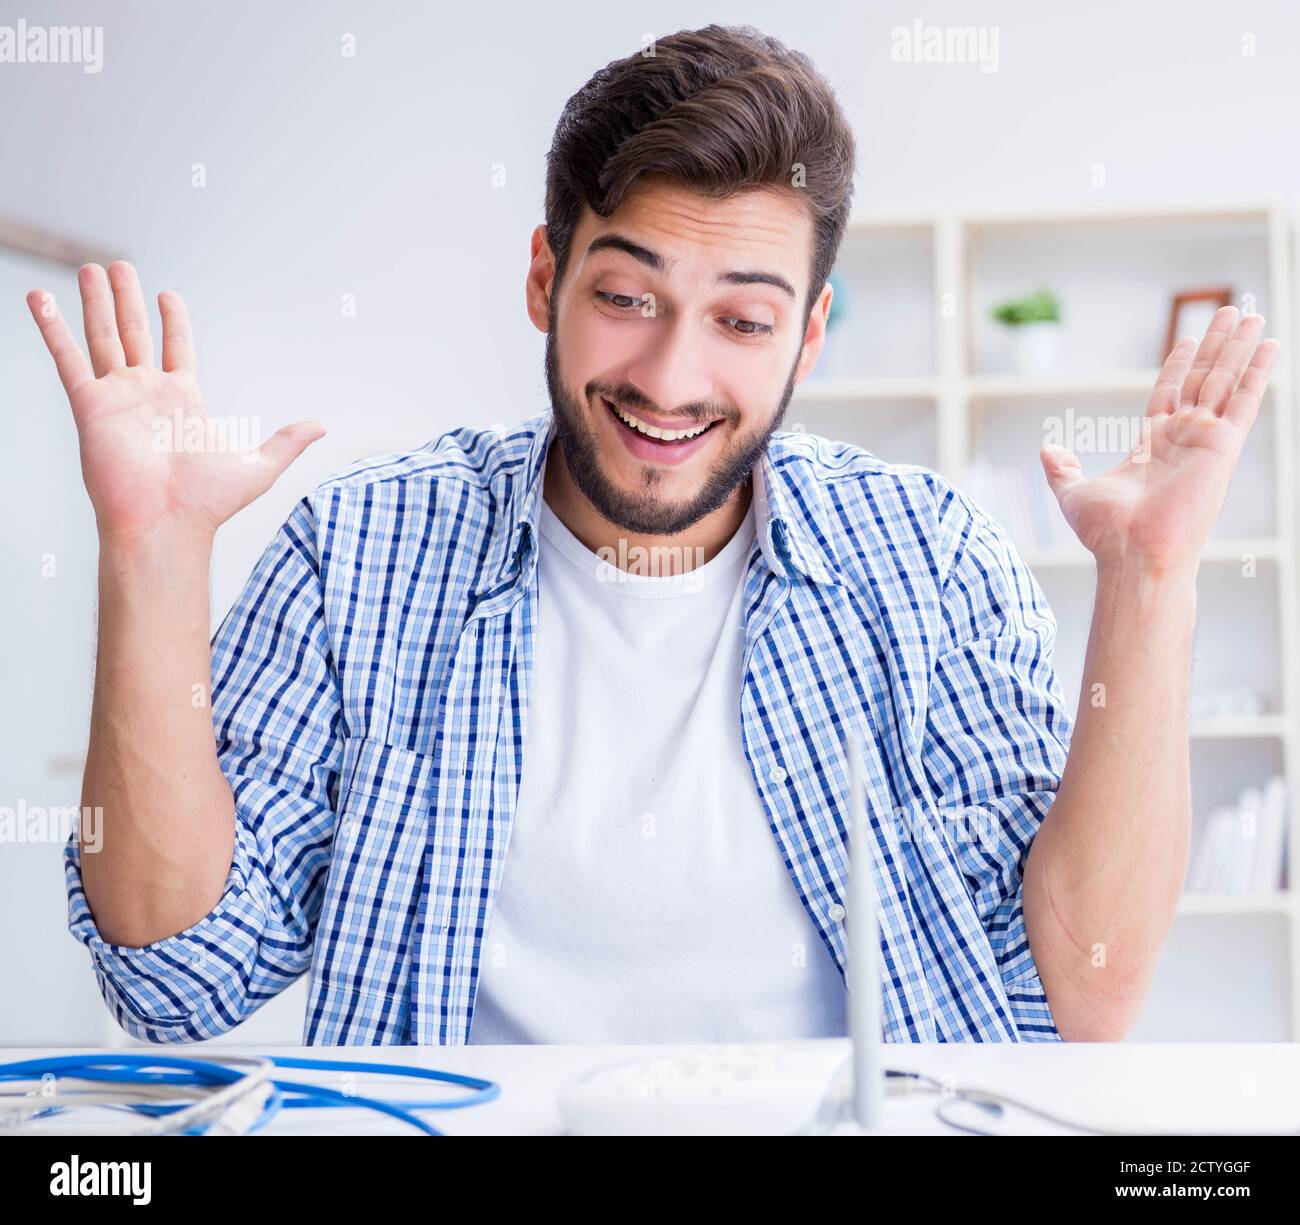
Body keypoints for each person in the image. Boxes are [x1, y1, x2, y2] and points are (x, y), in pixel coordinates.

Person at [27, 25, 1279, 1046]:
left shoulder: (927, 559)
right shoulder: (362, 549)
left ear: (809, 334)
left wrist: (1150, 577)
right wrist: (150, 550)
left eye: (740, 321)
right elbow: (173, 981)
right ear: (543, 278)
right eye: (626, 298)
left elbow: (1078, 993)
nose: (671, 379)